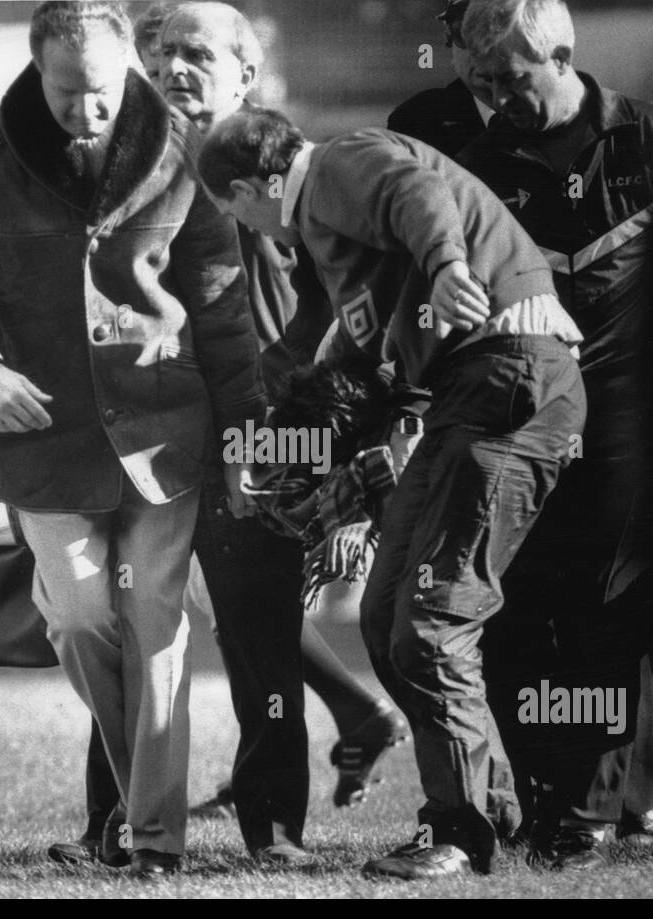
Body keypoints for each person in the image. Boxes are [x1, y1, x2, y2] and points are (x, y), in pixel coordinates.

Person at [0, 1, 265, 880]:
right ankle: (142, 810)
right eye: (67, 96)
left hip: (169, 439)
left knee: (155, 627)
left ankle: (154, 843)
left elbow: (220, 304)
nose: (89, 113)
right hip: (45, 449)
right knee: (88, 620)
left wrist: (246, 436)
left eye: (101, 95)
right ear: (34, 70)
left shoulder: (184, 153)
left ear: (128, 64)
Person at [50, 1, 408, 874]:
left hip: (270, 443)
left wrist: (321, 466)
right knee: (137, 634)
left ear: (248, 74)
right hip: (158, 446)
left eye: (198, 53)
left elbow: (348, 336)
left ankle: (274, 833)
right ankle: (113, 825)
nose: (175, 66)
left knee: (260, 644)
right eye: (161, 51)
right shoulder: (120, 170)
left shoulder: (305, 176)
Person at [199, 109, 587, 880]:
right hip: (470, 395)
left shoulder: (337, 166)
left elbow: (416, 191)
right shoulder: (338, 243)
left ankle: (458, 830)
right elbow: (343, 366)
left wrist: (447, 265)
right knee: (386, 617)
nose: (251, 231)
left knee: (431, 623)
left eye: (236, 212)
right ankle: (495, 807)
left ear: (246, 190)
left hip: (504, 375)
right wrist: (279, 446)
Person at [456, 0, 653, 869]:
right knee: (512, 615)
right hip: (527, 417)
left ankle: (589, 811)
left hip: (630, 414)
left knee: (606, 613)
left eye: (513, 77)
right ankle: (549, 794)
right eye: (481, 83)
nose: (499, 95)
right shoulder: (470, 167)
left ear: (564, 53)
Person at [387, 0, 496, 158]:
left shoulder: (543, 119)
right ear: (449, 38)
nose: (479, 47)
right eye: (463, 31)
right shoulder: (416, 120)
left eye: (493, 32)